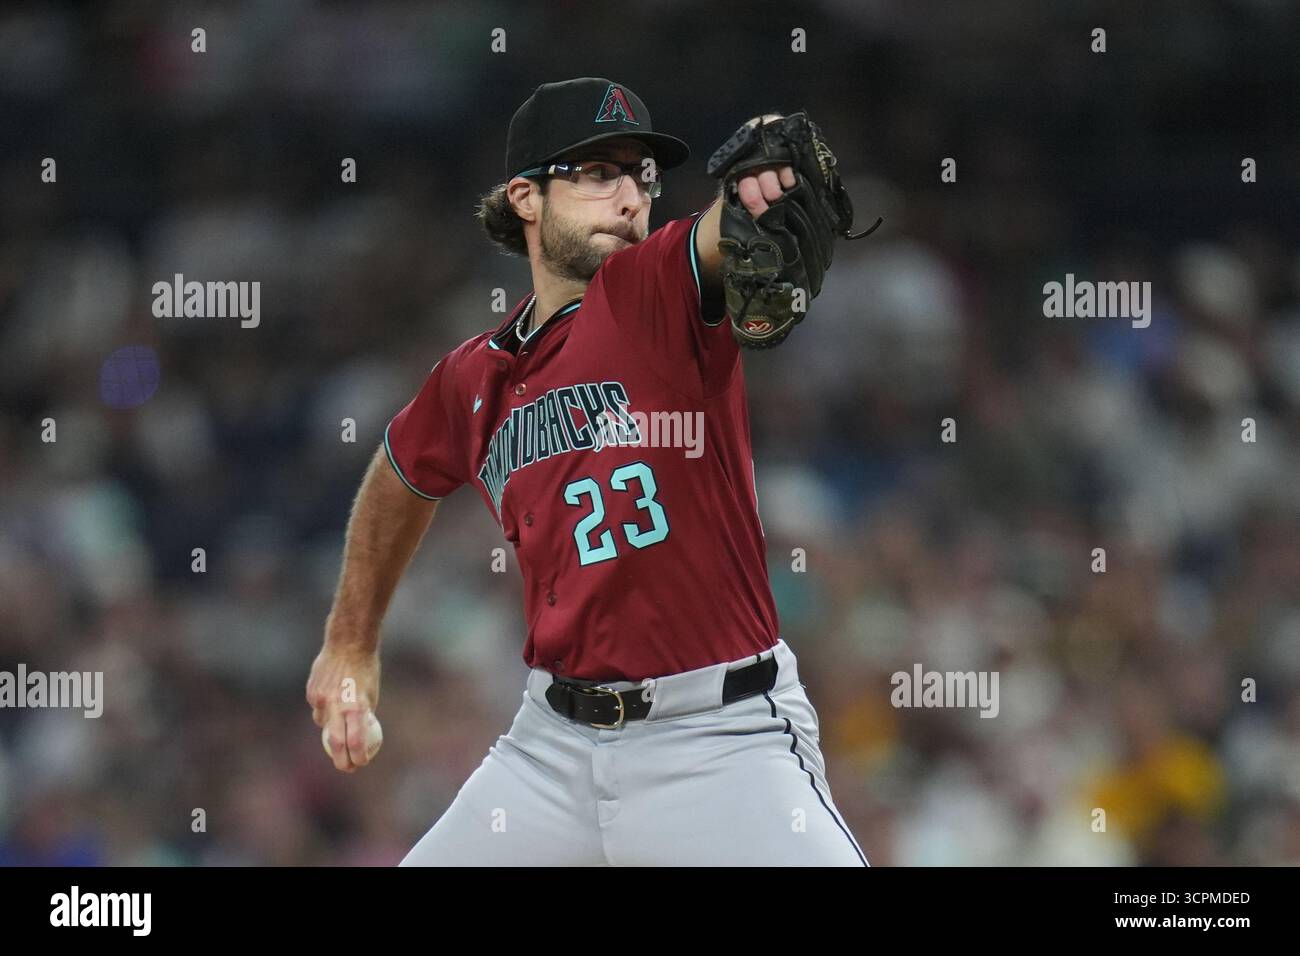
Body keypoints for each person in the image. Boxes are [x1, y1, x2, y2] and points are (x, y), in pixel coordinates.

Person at [306, 77, 868, 866]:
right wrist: (350, 641)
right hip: (551, 751)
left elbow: (720, 227)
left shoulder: (652, 293)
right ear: (526, 197)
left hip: (719, 743)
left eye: (641, 176)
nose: (631, 196)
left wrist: (765, 164)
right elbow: (402, 475)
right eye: (598, 172)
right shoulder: (473, 378)